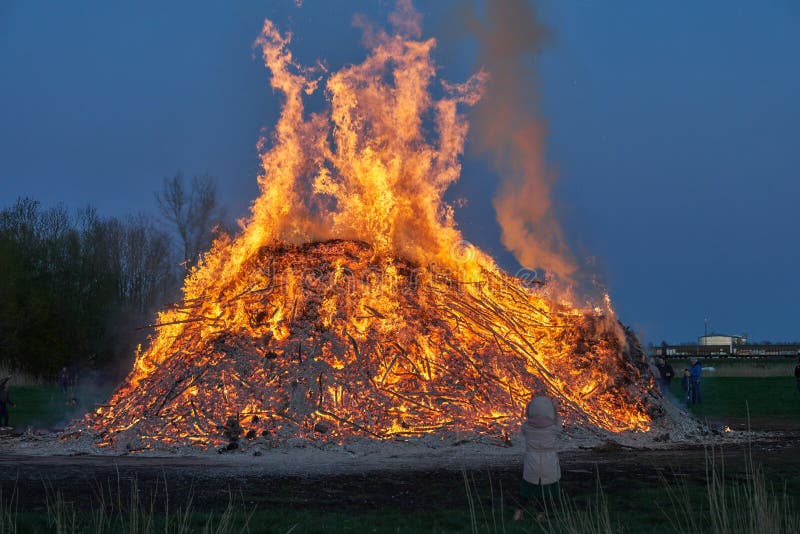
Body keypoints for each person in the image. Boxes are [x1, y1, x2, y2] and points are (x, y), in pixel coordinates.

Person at [513, 396, 562, 522]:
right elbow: (558, 423)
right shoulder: (553, 428)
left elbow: (526, 419)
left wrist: (528, 410)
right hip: (548, 462)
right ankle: (540, 515)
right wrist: (555, 409)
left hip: (532, 461)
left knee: (526, 489)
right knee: (545, 491)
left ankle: (518, 513)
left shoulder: (526, 427)